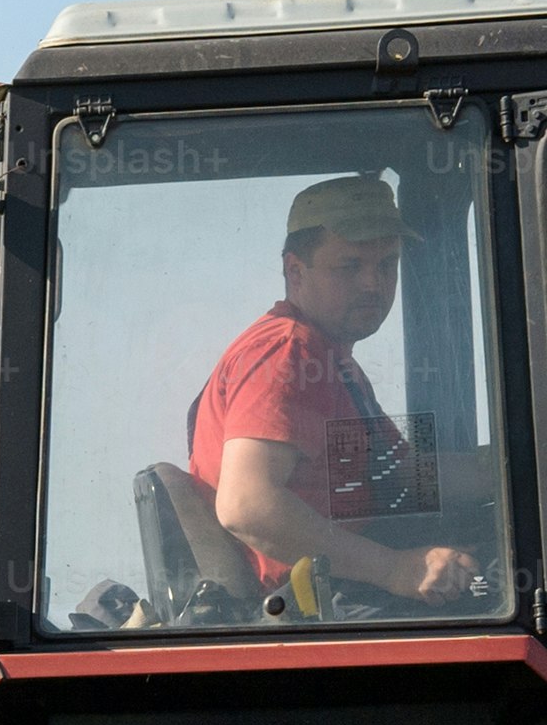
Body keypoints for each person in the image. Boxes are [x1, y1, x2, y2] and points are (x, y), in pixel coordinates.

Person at [189, 172, 478, 605]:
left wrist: (509, 469)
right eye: (350, 266)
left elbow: (406, 475)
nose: (373, 284)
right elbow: (246, 504)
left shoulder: (337, 365)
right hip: (316, 602)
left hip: (335, 587)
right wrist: (396, 568)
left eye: (386, 265)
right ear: (295, 271)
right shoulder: (288, 349)